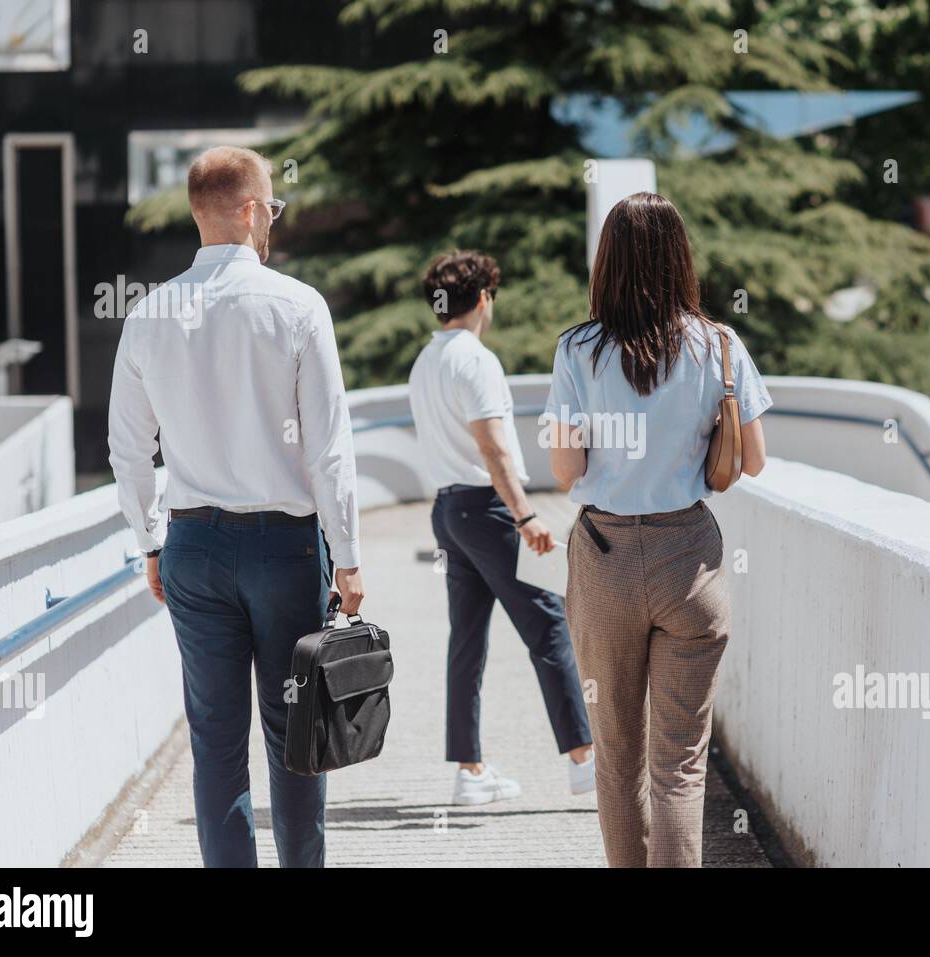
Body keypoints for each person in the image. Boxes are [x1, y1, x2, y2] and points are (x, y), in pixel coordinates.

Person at [107, 146, 363, 868]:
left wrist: (151, 542)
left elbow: (128, 449)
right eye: (272, 209)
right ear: (251, 211)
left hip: (193, 548)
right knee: (295, 736)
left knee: (216, 741)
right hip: (284, 549)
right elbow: (330, 450)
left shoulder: (149, 314)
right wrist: (347, 558)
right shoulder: (298, 306)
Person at [543, 192, 771, 867]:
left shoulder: (577, 350)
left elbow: (564, 469)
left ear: (606, 262)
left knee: (617, 756)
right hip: (690, 561)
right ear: (680, 260)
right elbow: (753, 459)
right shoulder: (720, 345)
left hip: (606, 557)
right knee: (680, 765)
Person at [409, 250, 595, 806]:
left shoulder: (425, 362)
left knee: (466, 640)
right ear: (484, 298)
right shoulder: (477, 360)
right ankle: (585, 761)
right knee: (548, 626)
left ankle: (469, 771)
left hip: (448, 511)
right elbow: (492, 447)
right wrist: (527, 515)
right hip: (489, 511)